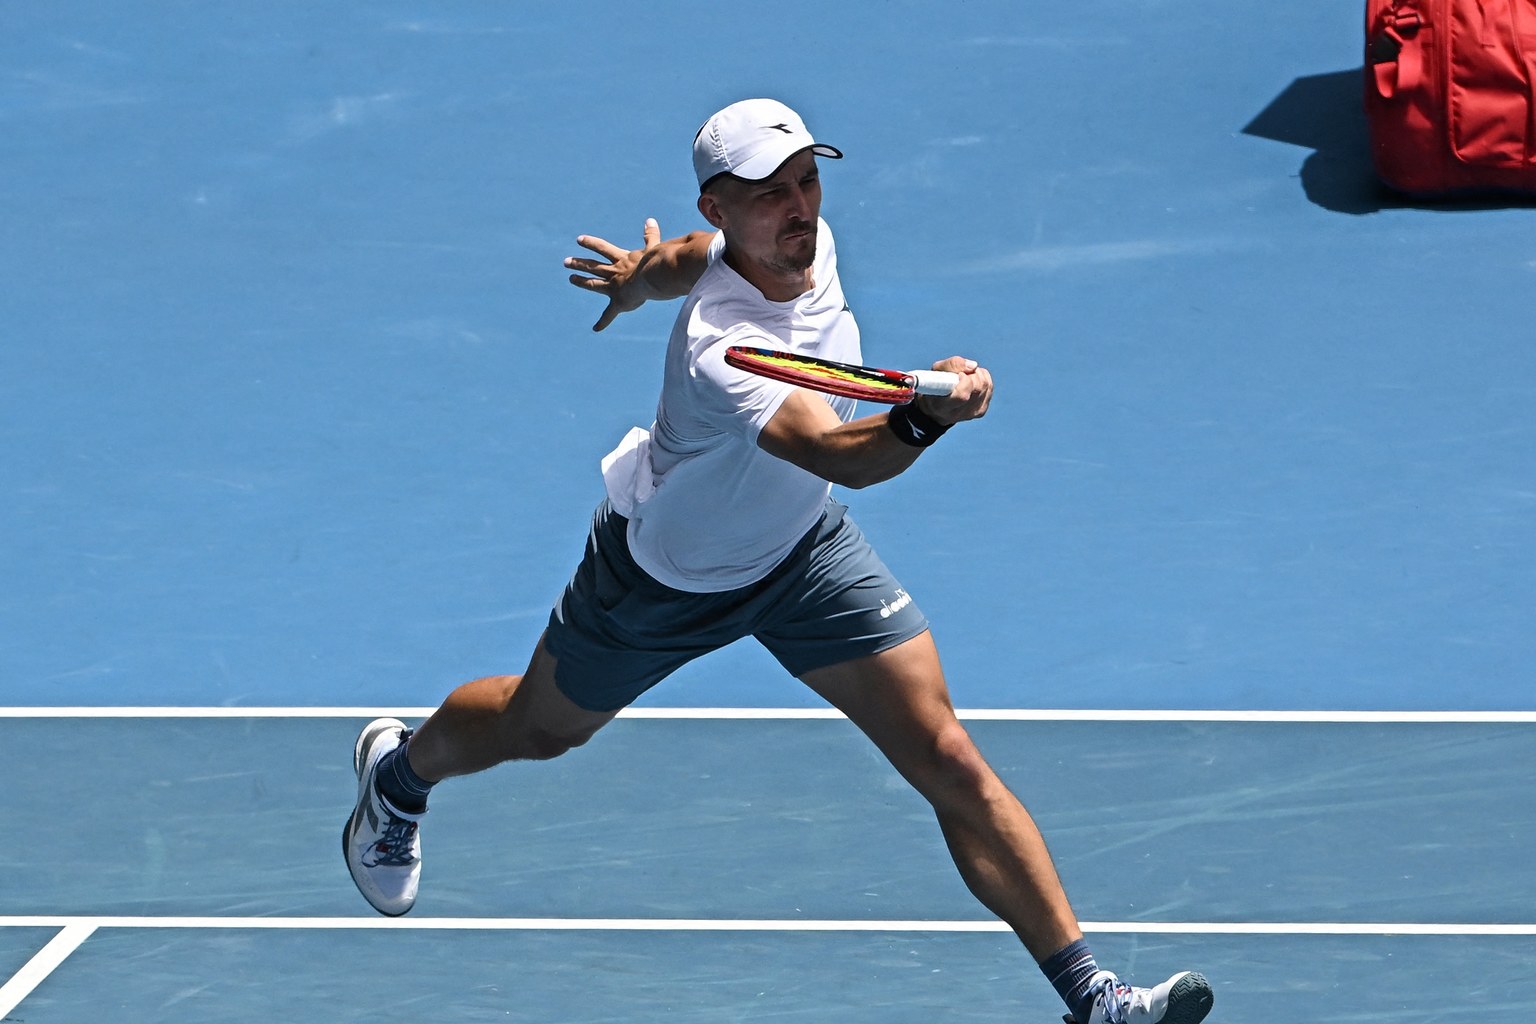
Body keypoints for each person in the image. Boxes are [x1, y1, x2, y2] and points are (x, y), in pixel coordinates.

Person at [343, 98, 1214, 1024]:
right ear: (723, 204)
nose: (799, 207)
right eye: (771, 194)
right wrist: (926, 416)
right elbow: (846, 455)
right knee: (539, 728)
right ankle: (397, 778)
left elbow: (687, 258)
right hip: (662, 581)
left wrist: (640, 278)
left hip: (802, 554)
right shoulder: (732, 352)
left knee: (946, 755)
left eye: (807, 180)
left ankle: (1095, 1000)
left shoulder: (787, 241)